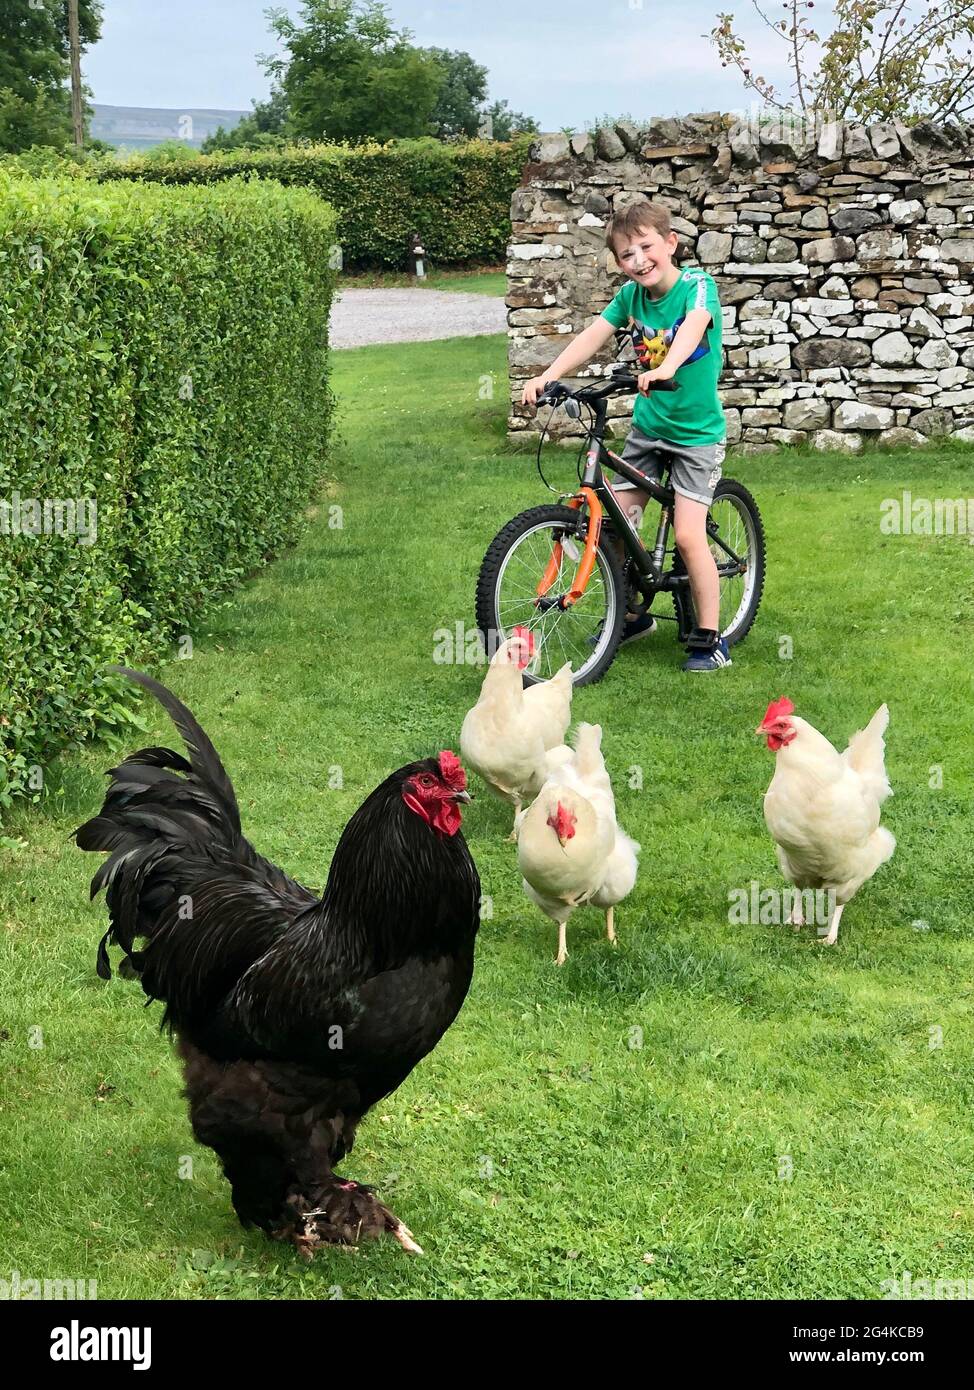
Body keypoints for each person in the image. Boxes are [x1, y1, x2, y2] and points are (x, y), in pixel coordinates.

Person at [522, 200, 730, 672]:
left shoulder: (698, 287)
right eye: (625, 254)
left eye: (646, 247)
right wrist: (548, 374)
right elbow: (594, 334)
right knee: (618, 522)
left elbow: (693, 328)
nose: (638, 260)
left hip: (696, 436)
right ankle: (633, 614)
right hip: (649, 430)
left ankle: (711, 637)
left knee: (689, 537)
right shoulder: (630, 298)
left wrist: (667, 368)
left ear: (670, 242)